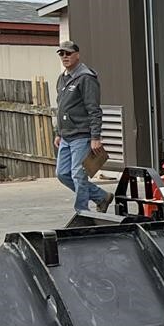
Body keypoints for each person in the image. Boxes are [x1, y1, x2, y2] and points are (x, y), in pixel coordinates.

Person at [53, 39, 111, 213]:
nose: (65, 56)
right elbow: (61, 107)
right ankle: (101, 197)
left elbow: (94, 109)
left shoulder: (86, 78)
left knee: (78, 175)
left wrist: (95, 137)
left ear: (77, 55)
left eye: (68, 53)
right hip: (66, 136)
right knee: (62, 174)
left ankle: (82, 212)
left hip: (81, 135)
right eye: (61, 53)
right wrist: (59, 132)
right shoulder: (62, 78)